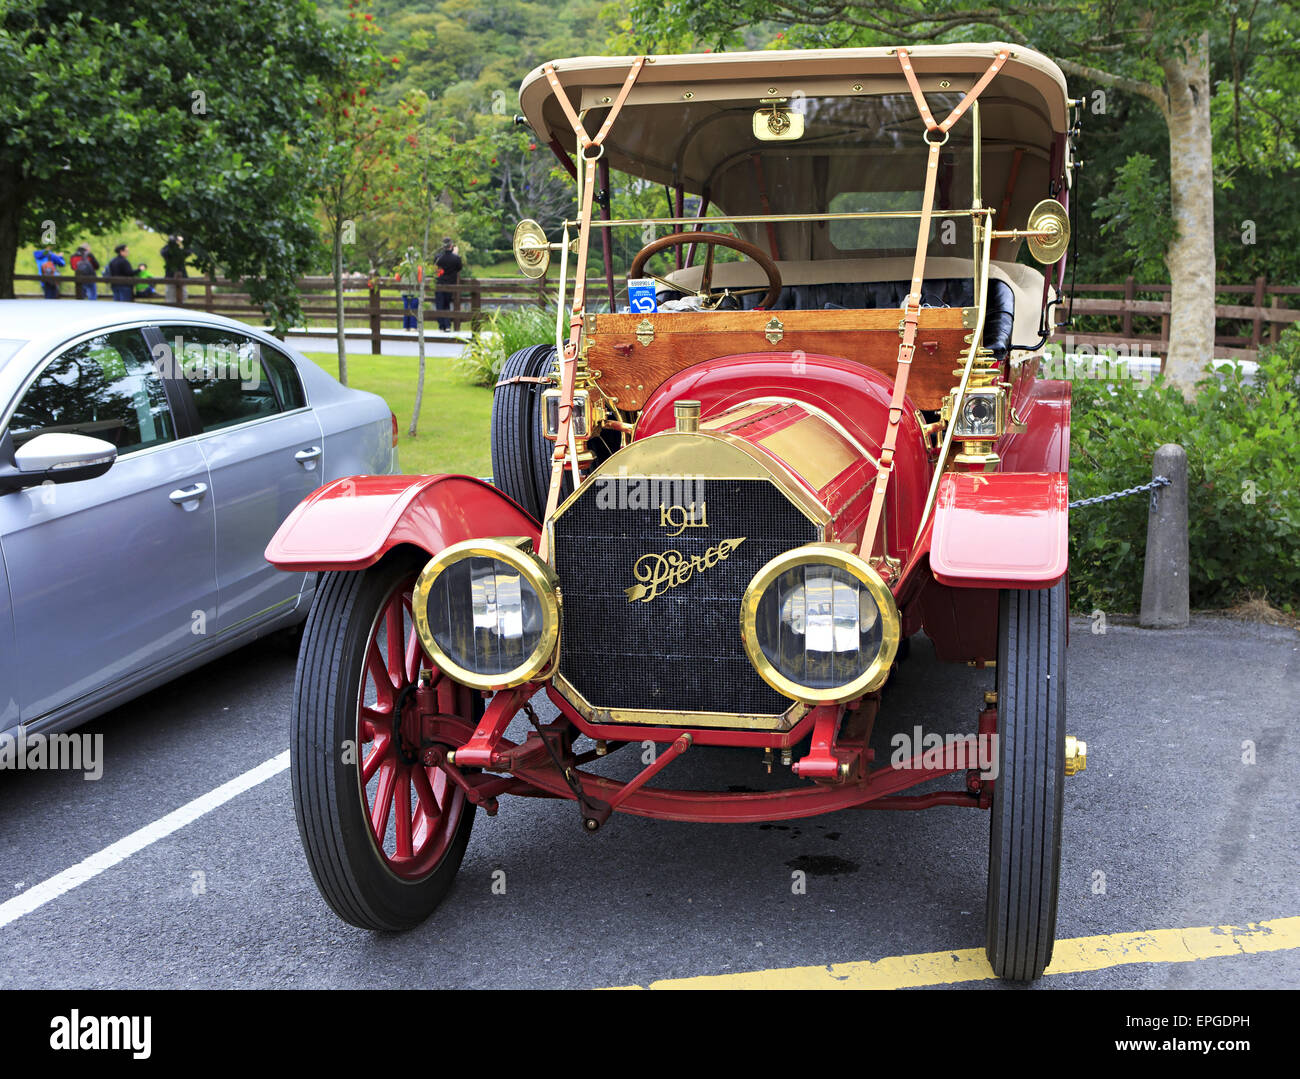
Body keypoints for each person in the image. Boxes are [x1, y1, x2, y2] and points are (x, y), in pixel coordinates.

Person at [433, 237, 463, 332]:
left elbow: (434, 267)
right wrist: (455, 254)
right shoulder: (456, 258)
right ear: (451, 246)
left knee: (439, 304)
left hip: (440, 283)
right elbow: (459, 268)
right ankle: (447, 325)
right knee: (447, 304)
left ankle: (441, 325)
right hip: (451, 284)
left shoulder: (438, 258)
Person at [161, 233, 188, 303]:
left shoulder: (181, 249)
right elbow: (164, 253)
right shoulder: (167, 250)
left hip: (182, 276)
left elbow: (188, 252)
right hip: (170, 276)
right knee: (170, 298)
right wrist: (173, 242)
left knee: (183, 297)